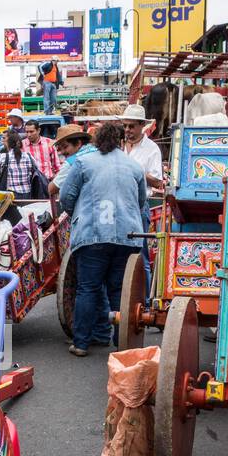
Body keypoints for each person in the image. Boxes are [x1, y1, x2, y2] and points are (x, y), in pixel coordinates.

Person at [56, 122, 148, 357]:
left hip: (92, 234)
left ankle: (81, 343)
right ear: (120, 141)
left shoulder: (84, 163)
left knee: (87, 288)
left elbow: (66, 197)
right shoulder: (134, 167)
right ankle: (121, 342)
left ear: (96, 141)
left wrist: (78, 212)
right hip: (128, 236)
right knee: (118, 291)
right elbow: (139, 204)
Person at [119, 104, 164, 196]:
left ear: (142, 124)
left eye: (131, 126)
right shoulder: (118, 144)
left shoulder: (152, 148)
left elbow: (157, 182)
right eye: (124, 126)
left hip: (140, 204)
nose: (127, 129)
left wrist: (133, 171)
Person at [0, 130, 45, 201]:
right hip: (28, 194)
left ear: (8, 143)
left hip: (10, 195)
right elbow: (36, 170)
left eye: (4, 139)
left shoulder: (3, 157)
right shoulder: (28, 156)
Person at [48, 123, 97, 198]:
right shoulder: (98, 152)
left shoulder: (72, 162)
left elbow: (52, 189)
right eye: (60, 148)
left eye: (65, 147)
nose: (63, 152)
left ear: (78, 143)